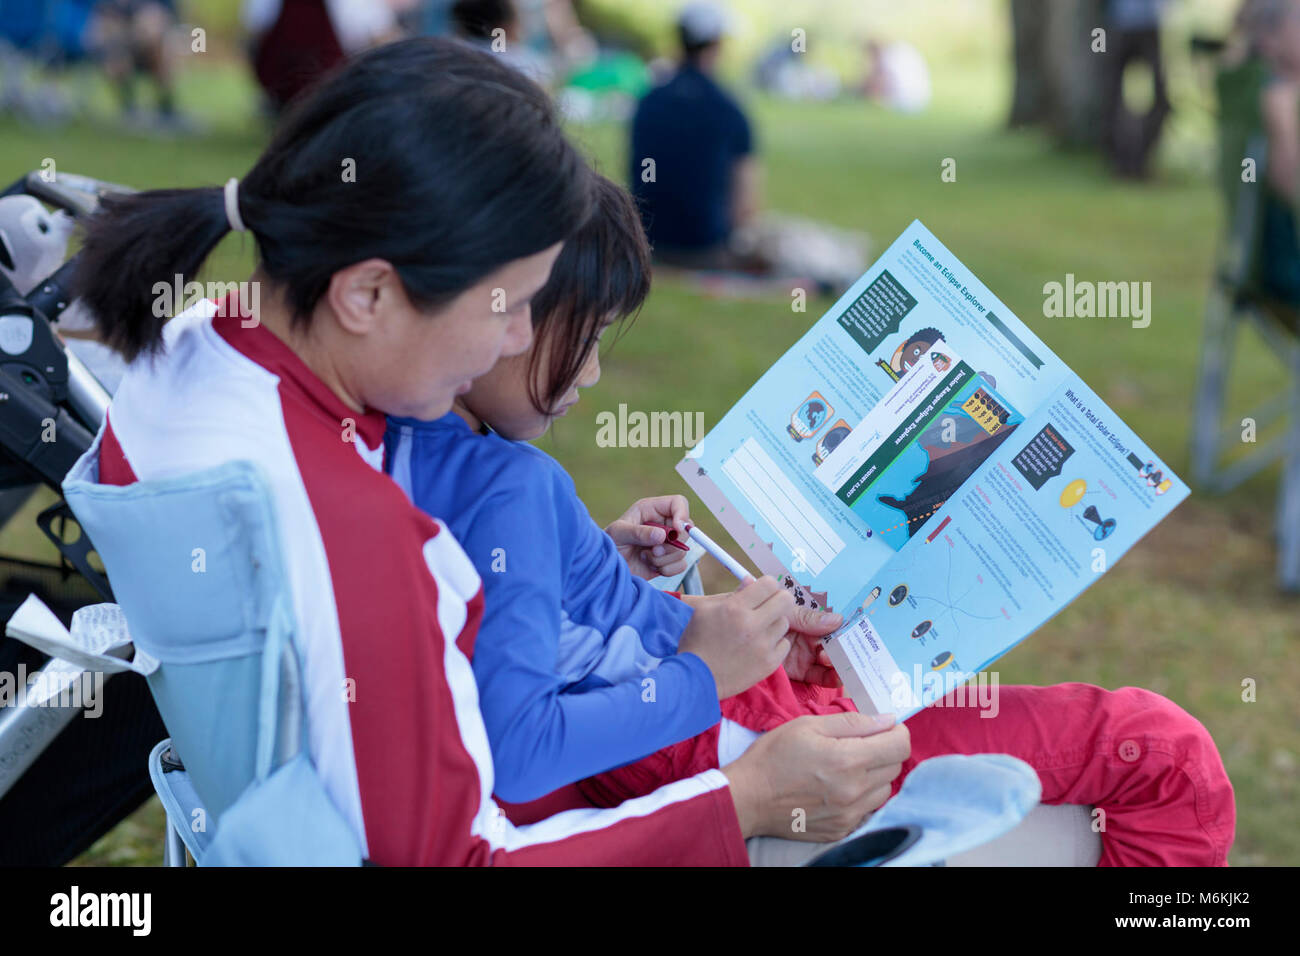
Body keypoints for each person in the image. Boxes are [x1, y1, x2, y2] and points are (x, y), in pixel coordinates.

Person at [71, 37, 907, 865]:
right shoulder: (363, 533)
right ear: (367, 292)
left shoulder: (184, 353)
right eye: (508, 306)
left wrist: (568, 564)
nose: (517, 338)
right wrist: (754, 796)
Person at [390, 169, 1236, 866]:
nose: (596, 374)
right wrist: (704, 670)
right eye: (584, 333)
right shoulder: (510, 487)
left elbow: (515, 614)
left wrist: (608, 566)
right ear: (498, 311)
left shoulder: (407, 449)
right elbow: (520, 738)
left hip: (724, 697)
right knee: (1164, 755)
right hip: (732, 733)